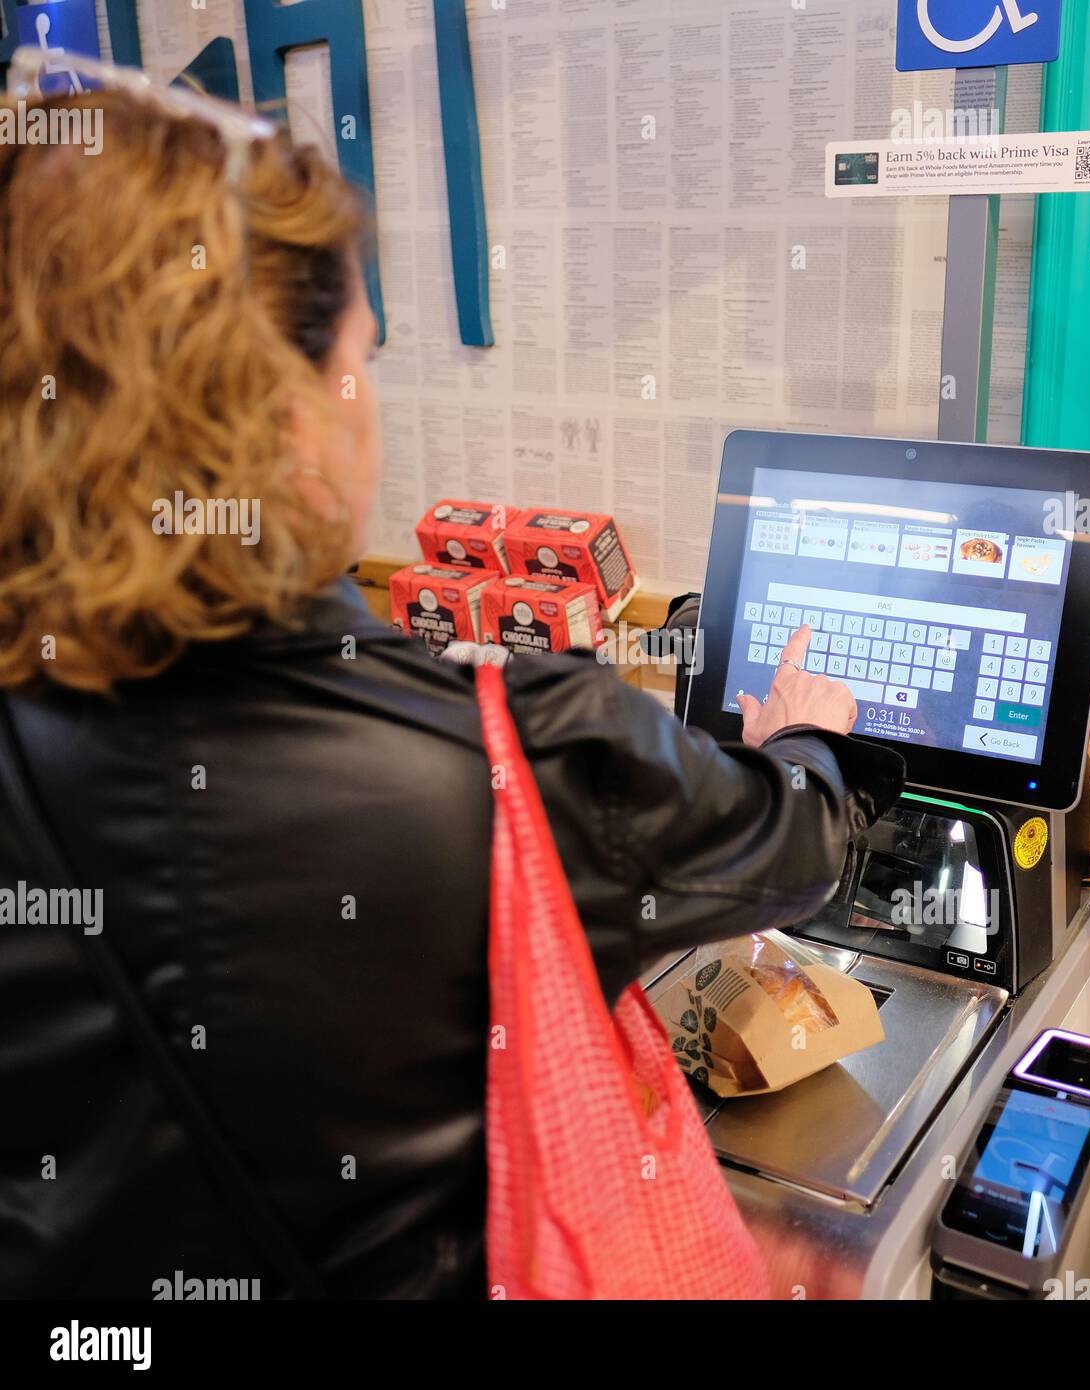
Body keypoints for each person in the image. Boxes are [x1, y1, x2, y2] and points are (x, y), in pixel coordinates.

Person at [0, 80, 904, 1298]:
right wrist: (806, 741)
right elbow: (796, 846)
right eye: (360, 359)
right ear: (284, 418)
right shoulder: (511, 752)